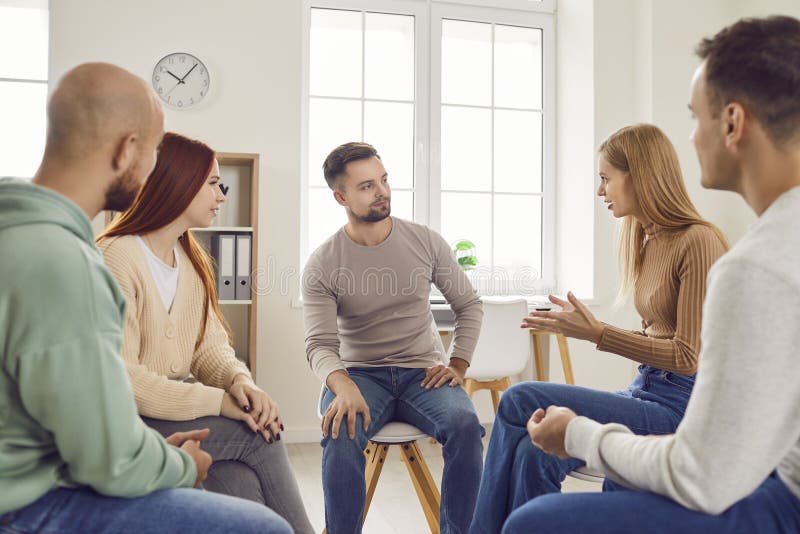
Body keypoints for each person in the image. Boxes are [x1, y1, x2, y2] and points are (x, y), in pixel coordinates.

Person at [507, 15, 800, 533]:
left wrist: (579, 431)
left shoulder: (752, 263)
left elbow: (703, 471)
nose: (691, 137)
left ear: (733, 122)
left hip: (770, 490)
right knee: (535, 450)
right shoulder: (669, 243)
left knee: (532, 518)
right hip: (723, 443)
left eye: (695, 118)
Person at [0, 63, 290, 533]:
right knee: (264, 527)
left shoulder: (25, 233)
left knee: (239, 481)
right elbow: (107, 456)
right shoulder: (68, 265)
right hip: (29, 501)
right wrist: (179, 464)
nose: (155, 168)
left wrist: (236, 382)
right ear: (126, 149)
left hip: (51, 467)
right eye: (155, 151)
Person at [470, 122, 728, 533]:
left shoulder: (697, 241)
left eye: (606, 178)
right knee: (535, 450)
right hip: (644, 389)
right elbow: (659, 336)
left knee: (520, 397)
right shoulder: (647, 240)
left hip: (681, 408)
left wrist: (597, 333)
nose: (599, 191)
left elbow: (688, 356)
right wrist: (594, 330)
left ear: (639, 175)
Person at [96, 132, 314, 534]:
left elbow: (209, 347)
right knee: (258, 435)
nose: (221, 196)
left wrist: (240, 382)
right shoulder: (117, 257)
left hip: (165, 413)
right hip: (121, 423)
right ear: (177, 184)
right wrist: (219, 402)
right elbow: (121, 379)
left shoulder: (190, 259)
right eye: (213, 183)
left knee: (240, 482)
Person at [302, 142, 484, 533]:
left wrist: (457, 364)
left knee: (466, 426)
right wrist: (343, 385)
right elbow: (319, 345)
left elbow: (469, 305)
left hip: (424, 373)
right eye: (367, 186)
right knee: (340, 430)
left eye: (383, 180)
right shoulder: (323, 262)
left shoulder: (425, 241)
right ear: (341, 197)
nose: (382, 191)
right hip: (360, 375)